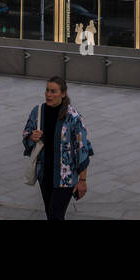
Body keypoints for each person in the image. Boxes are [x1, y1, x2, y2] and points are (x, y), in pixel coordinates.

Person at [22, 76, 93, 220]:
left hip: (65, 178)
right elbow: (26, 134)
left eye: (53, 91)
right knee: (51, 214)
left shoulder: (73, 117)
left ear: (63, 93)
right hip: (45, 174)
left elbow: (82, 149)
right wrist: (31, 137)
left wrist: (82, 181)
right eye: (47, 90)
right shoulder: (38, 111)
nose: (49, 94)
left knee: (55, 215)